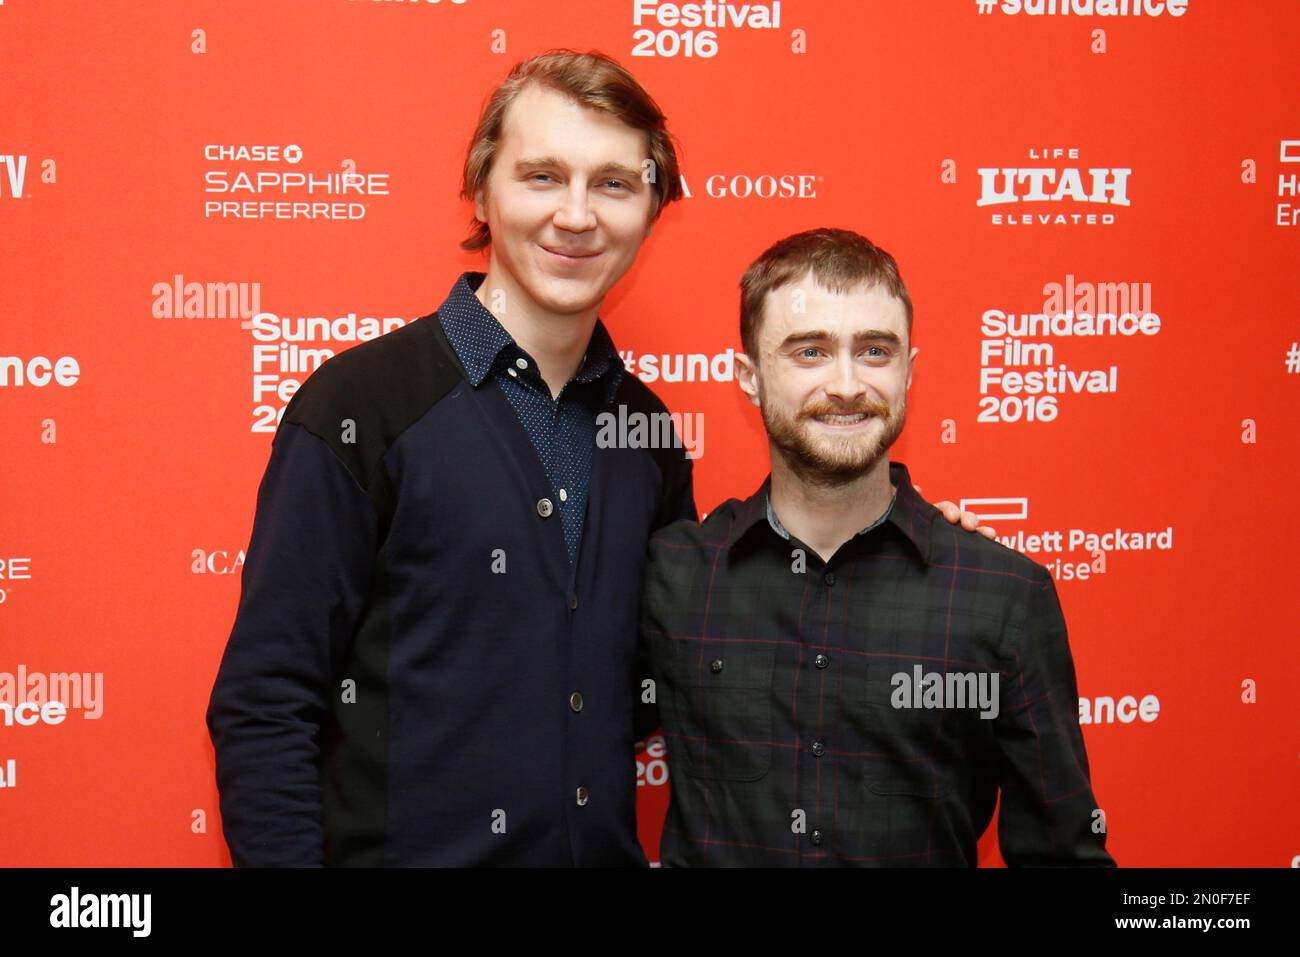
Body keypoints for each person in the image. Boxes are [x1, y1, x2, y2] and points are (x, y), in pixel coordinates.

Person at [206, 51, 984, 867]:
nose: (576, 215)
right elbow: (265, 705)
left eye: (614, 183)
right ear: (482, 190)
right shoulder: (363, 406)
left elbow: (696, 658)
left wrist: (892, 550)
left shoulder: (646, 435)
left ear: (653, 209)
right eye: (542, 176)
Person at [640, 227, 1115, 866]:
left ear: (910, 371)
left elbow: (1064, 855)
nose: (846, 384)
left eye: (874, 351)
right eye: (809, 352)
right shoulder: (673, 576)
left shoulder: (1002, 597)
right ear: (748, 378)